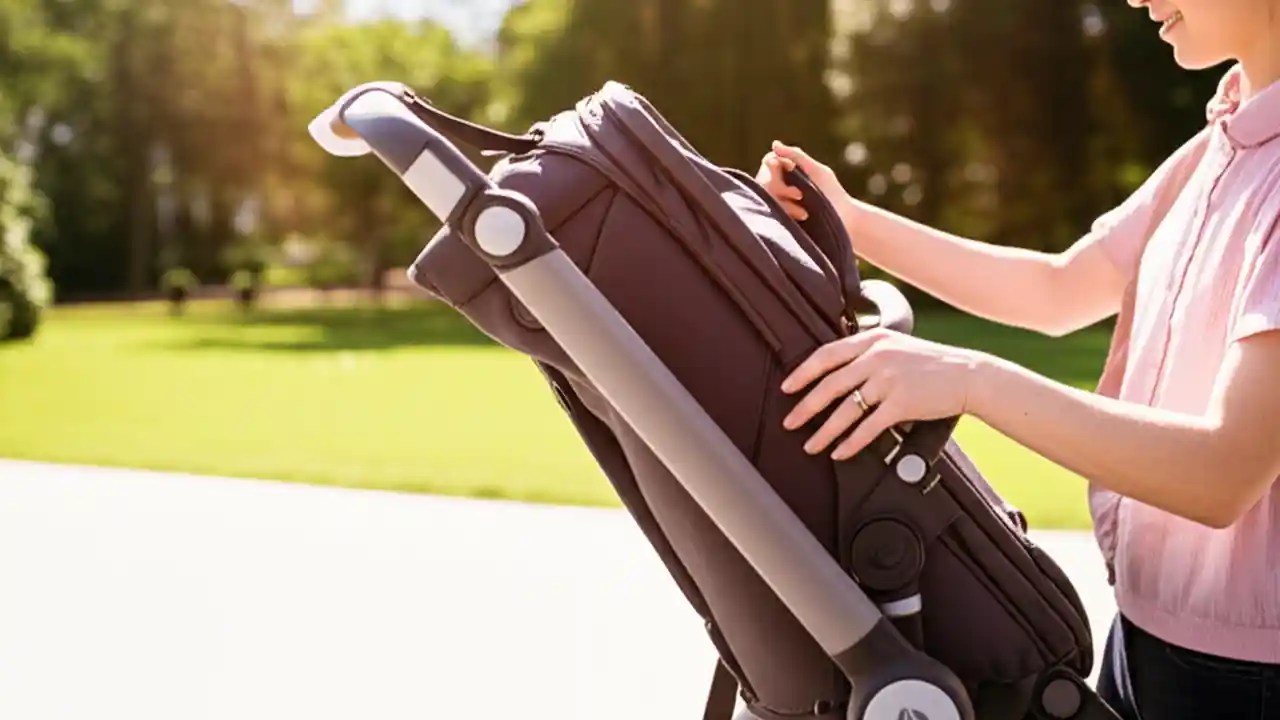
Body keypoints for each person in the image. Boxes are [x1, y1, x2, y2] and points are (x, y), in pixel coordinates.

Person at [755, 1, 1280, 718]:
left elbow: (1224, 473)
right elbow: (1058, 288)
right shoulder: (1220, 141)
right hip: (1146, 634)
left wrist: (969, 380)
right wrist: (850, 221)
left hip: (1247, 679)